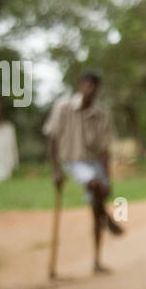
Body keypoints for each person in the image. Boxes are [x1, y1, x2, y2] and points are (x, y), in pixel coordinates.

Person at [43, 69, 123, 274]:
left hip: (95, 162)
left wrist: (108, 178)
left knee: (98, 202)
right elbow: (52, 138)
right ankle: (108, 218)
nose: (90, 88)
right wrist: (56, 171)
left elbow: (105, 149)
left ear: (97, 89)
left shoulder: (102, 114)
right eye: (86, 84)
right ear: (81, 85)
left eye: (93, 85)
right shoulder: (63, 107)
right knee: (94, 184)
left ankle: (97, 260)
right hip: (72, 160)